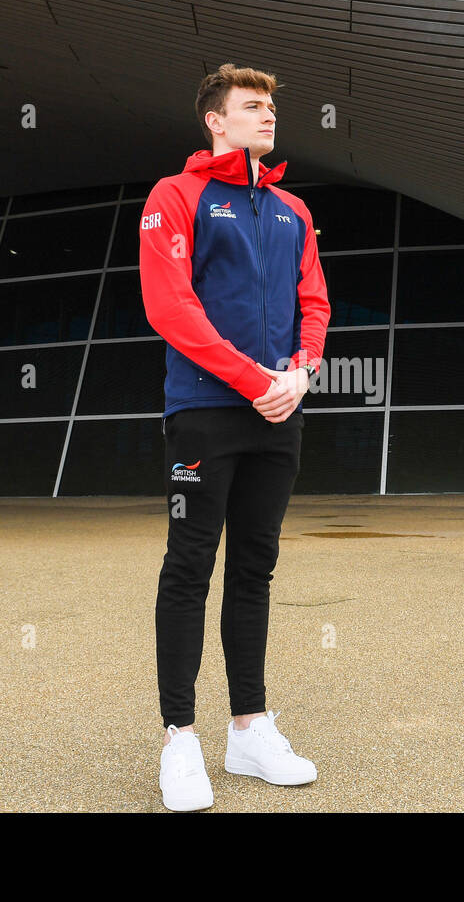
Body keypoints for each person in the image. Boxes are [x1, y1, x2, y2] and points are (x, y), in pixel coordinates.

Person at [138, 63, 330, 811]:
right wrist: (255, 378)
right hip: (205, 412)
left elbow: (313, 299)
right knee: (190, 567)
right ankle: (178, 739)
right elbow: (171, 306)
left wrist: (302, 371)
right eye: (252, 106)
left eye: (272, 106)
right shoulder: (176, 196)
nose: (268, 115)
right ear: (215, 120)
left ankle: (248, 728)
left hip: (280, 414)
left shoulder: (292, 210)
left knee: (256, 568)